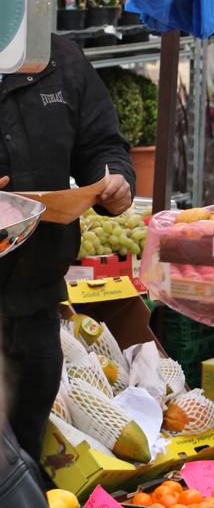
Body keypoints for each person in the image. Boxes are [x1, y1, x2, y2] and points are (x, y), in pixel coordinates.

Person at [0, 35, 134, 475]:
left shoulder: (59, 60)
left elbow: (102, 145)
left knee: (25, 454)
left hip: (35, 304)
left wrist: (112, 182)